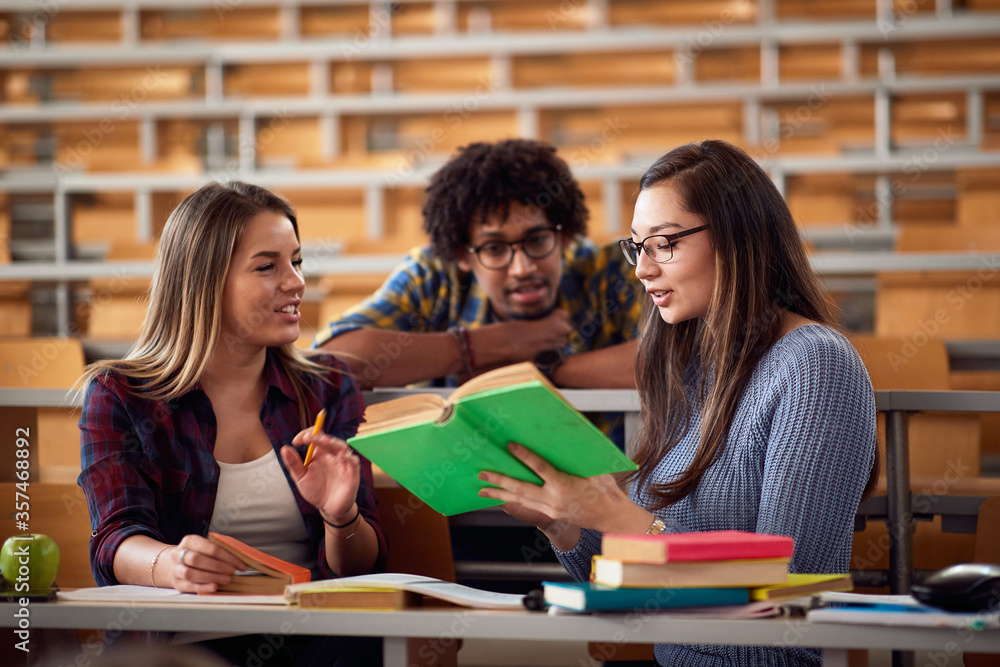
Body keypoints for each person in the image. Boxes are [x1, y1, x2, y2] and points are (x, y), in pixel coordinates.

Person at [477, 140, 879, 666]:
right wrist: (564, 521)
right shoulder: (690, 366)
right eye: (637, 246)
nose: (643, 270)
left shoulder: (815, 367)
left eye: (663, 244)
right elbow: (638, 585)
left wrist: (619, 516)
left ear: (738, 239)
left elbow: (791, 597)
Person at [78, 181, 387, 666]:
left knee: (363, 644)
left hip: (317, 641)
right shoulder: (121, 395)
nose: (296, 282)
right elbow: (115, 539)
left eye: (297, 261)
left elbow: (364, 567)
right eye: (268, 266)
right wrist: (173, 564)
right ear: (202, 282)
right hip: (179, 646)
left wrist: (340, 515)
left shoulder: (329, 386)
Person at [313, 138, 642, 399]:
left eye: (537, 240)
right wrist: (486, 345)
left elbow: (681, 360)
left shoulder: (609, 269)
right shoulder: (432, 278)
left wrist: (542, 367)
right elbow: (329, 363)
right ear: (462, 255)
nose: (522, 268)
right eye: (494, 248)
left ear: (566, 234)